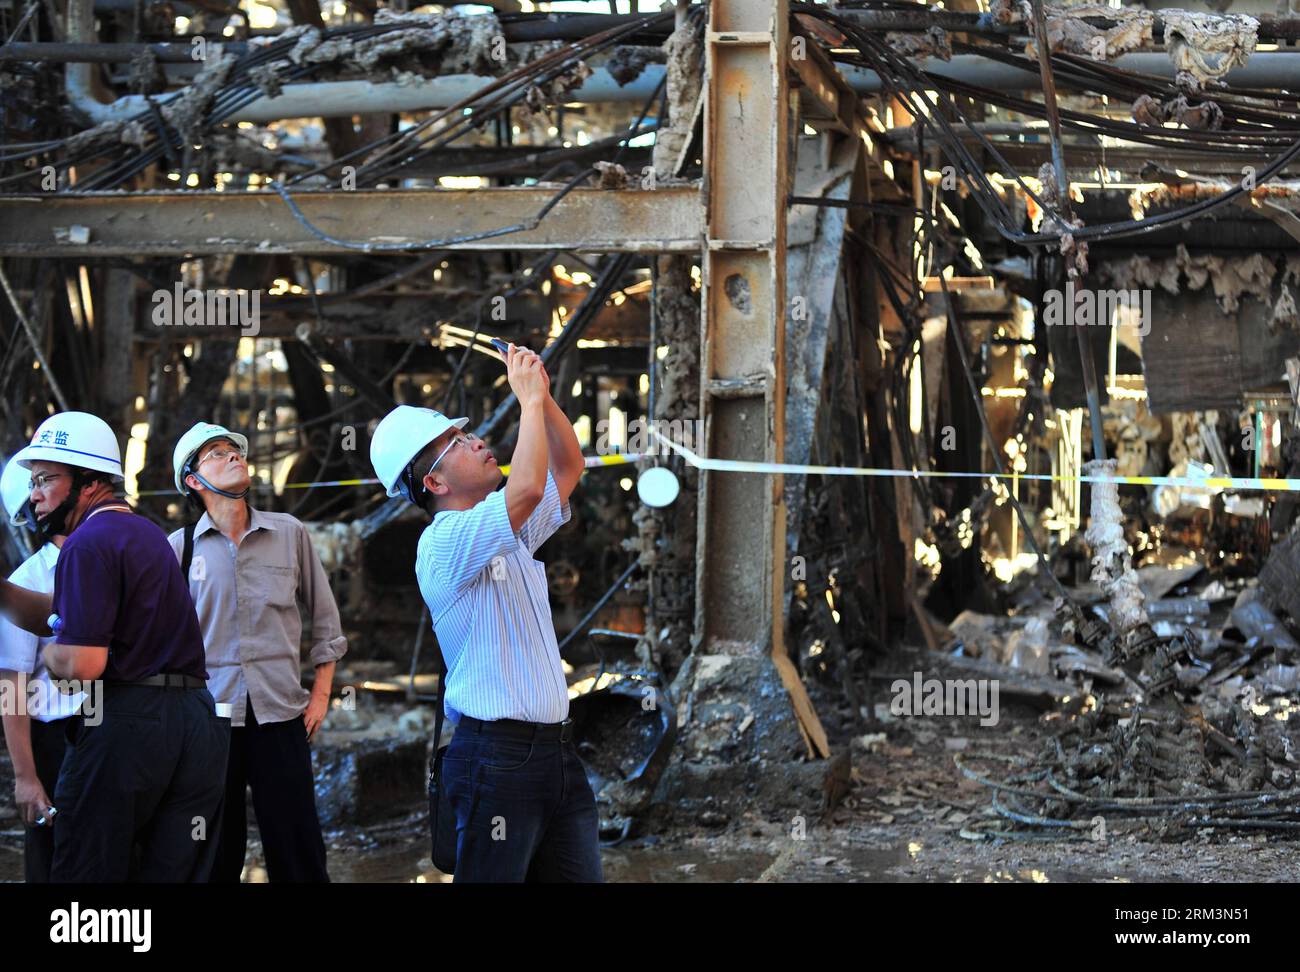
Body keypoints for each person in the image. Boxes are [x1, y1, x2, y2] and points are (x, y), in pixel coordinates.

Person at [369, 343, 600, 883]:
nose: (476, 441)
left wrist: (541, 394)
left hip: (556, 752)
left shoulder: (508, 531)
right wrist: (526, 402)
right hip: (496, 758)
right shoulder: (444, 542)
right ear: (435, 483)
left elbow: (569, 465)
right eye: (456, 442)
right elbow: (523, 489)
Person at [0, 411, 228, 882]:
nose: (34, 493)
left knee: (87, 875)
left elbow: (81, 663)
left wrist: (50, 654)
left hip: (128, 724)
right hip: (197, 724)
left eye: (45, 478)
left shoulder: (86, 544)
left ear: (88, 481)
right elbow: (62, 610)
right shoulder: (146, 535)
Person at [169, 421, 345, 883]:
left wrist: (322, 694)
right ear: (193, 480)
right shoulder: (179, 550)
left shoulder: (289, 533)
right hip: (210, 724)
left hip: (281, 716)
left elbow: (325, 618)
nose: (233, 456)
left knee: (298, 851)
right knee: (212, 855)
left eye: (235, 450)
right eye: (216, 454)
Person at [0, 451, 86, 882]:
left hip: (109, 733)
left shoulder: (109, 563)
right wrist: (26, 778)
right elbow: (11, 686)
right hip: (55, 741)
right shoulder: (27, 581)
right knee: (53, 859)